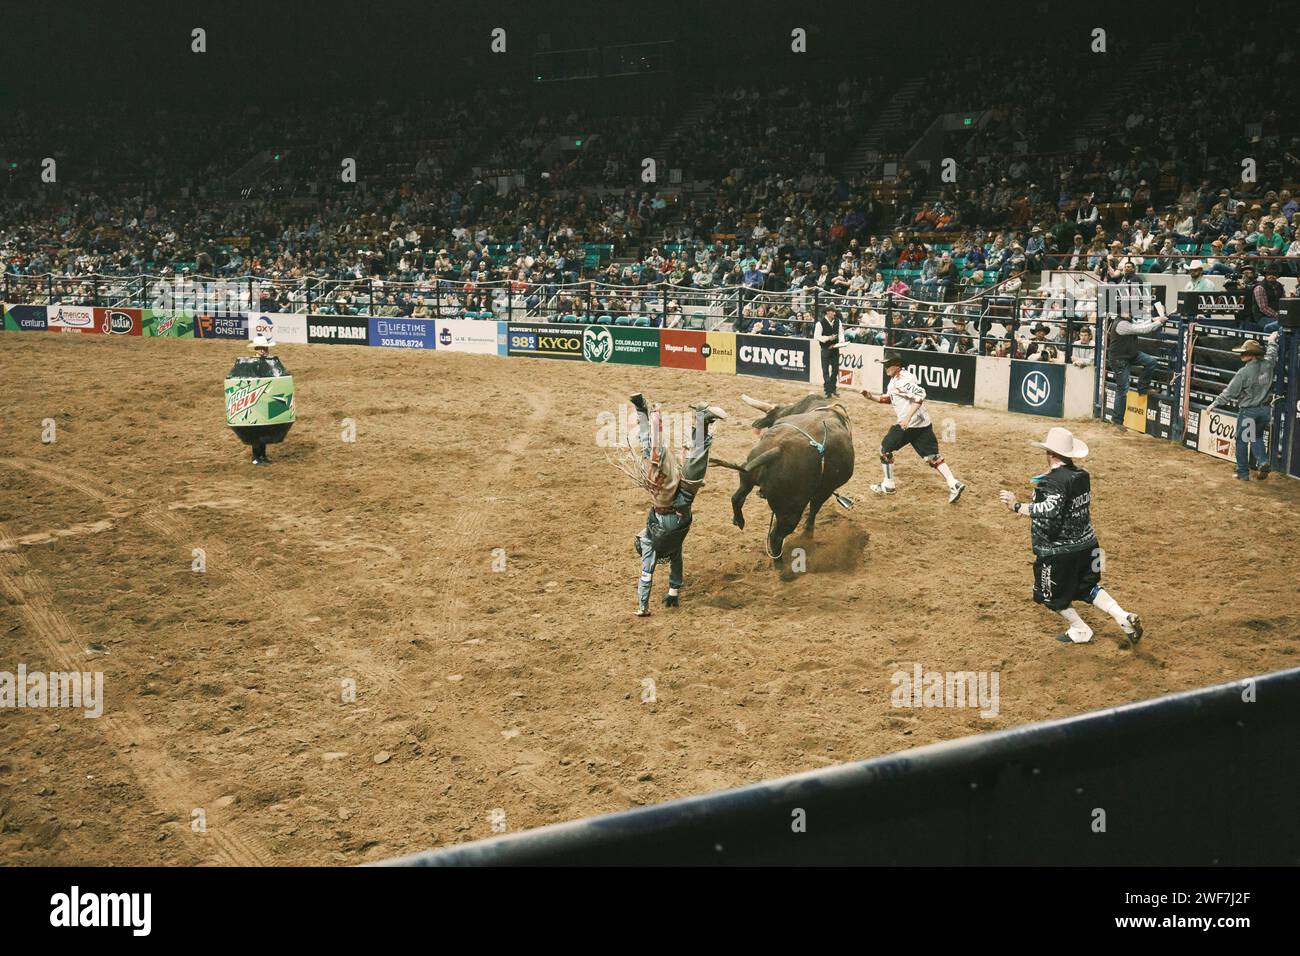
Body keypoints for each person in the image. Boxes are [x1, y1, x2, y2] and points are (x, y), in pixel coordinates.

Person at [997, 427, 1143, 647]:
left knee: (1047, 595)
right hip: (1089, 545)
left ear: (1051, 454)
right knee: (1087, 588)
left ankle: (1080, 629)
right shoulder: (1082, 476)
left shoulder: (1054, 481)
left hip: (1060, 553)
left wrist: (1017, 506)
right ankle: (1123, 617)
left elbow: (1051, 509)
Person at [629, 393, 727, 617]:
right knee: (655, 455)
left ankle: (700, 420)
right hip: (667, 504)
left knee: (692, 464)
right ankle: (647, 413)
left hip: (681, 505)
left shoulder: (672, 546)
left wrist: (670, 593)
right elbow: (650, 574)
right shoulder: (649, 542)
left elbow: (658, 571)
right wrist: (642, 606)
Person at [859, 350, 965, 503]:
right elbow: (890, 399)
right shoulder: (897, 380)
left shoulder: (902, 380)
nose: (885, 367)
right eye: (884, 364)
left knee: (884, 450)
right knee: (932, 457)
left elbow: (920, 394)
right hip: (923, 423)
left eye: (888, 364)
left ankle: (888, 485)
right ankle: (953, 483)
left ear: (897, 365)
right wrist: (871, 397)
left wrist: (907, 418)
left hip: (908, 425)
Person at [1205, 331, 1281, 481]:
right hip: (1265, 410)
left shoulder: (1243, 373)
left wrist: (1214, 404)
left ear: (1252, 355)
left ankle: (1243, 472)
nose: (1242, 355)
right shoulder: (1268, 364)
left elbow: (1229, 392)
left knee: (1241, 441)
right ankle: (1262, 461)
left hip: (1249, 411)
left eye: (1245, 352)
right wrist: (1272, 340)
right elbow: (1272, 353)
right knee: (1256, 436)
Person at [1105, 301, 1168, 427]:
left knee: (1151, 362)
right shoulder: (1122, 324)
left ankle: (1142, 388)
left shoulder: (1124, 321)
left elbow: (1139, 325)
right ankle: (1117, 421)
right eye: (1127, 311)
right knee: (1122, 389)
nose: (1129, 313)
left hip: (1129, 355)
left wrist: (1152, 319)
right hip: (1120, 359)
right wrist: (1159, 322)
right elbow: (1141, 329)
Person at [815, 308, 845, 397]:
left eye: (834, 312)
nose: (834, 313)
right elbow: (816, 336)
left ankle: (832, 388)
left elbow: (841, 333)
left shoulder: (837, 321)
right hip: (825, 349)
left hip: (835, 348)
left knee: (835, 370)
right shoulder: (820, 323)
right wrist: (828, 338)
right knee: (825, 371)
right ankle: (828, 390)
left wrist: (842, 341)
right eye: (832, 311)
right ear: (827, 312)